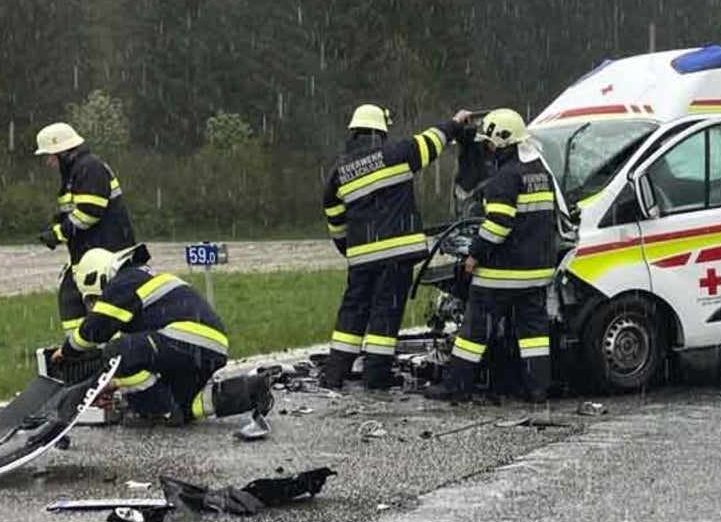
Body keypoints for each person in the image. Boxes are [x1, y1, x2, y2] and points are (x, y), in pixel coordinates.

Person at [52, 245, 273, 434]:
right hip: (208, 345)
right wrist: (115, 383)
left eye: (94, 297)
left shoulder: (123, 282)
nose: (96, 303)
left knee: (117, 352)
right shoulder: (142, 277)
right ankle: (250, 390)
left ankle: (154, 411)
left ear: (97, 277)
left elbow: (95, 329)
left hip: (186, 337)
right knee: (186, 406)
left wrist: (67, 351)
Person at [319, 105, 464, 390]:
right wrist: (455, 123)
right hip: (397, 256)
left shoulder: (339, 172)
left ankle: (334, 374)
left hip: (361, 260)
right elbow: (433, 141)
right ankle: (376, 377)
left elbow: (337, 226)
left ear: (354, 131)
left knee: (352, 312)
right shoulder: (397, 152)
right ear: (380, 130)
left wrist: (356, 252)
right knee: (385, 315)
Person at [423, 108, 559, 404]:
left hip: (502, 274)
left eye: (489, 142)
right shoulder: (540, 172)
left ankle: (456, 386)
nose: (486, 148)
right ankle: (537, 389)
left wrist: (473, 256)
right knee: (534, 334)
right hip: (536, 272)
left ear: (501, 142)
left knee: (474, 331)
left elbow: (497, 227)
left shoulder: (504, 179)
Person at [33, 122, 137, 343]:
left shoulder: (89, 168)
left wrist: (59, 234)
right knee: (71, 299)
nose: (48, 162)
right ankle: (82, 352)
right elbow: (71, 210)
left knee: (106, 310)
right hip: (88, 255)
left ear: (64, 151)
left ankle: (112, 353)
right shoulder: (74, 172)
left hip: (108, 254)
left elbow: (90, 212)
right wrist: (54, 225)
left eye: (50, 155)